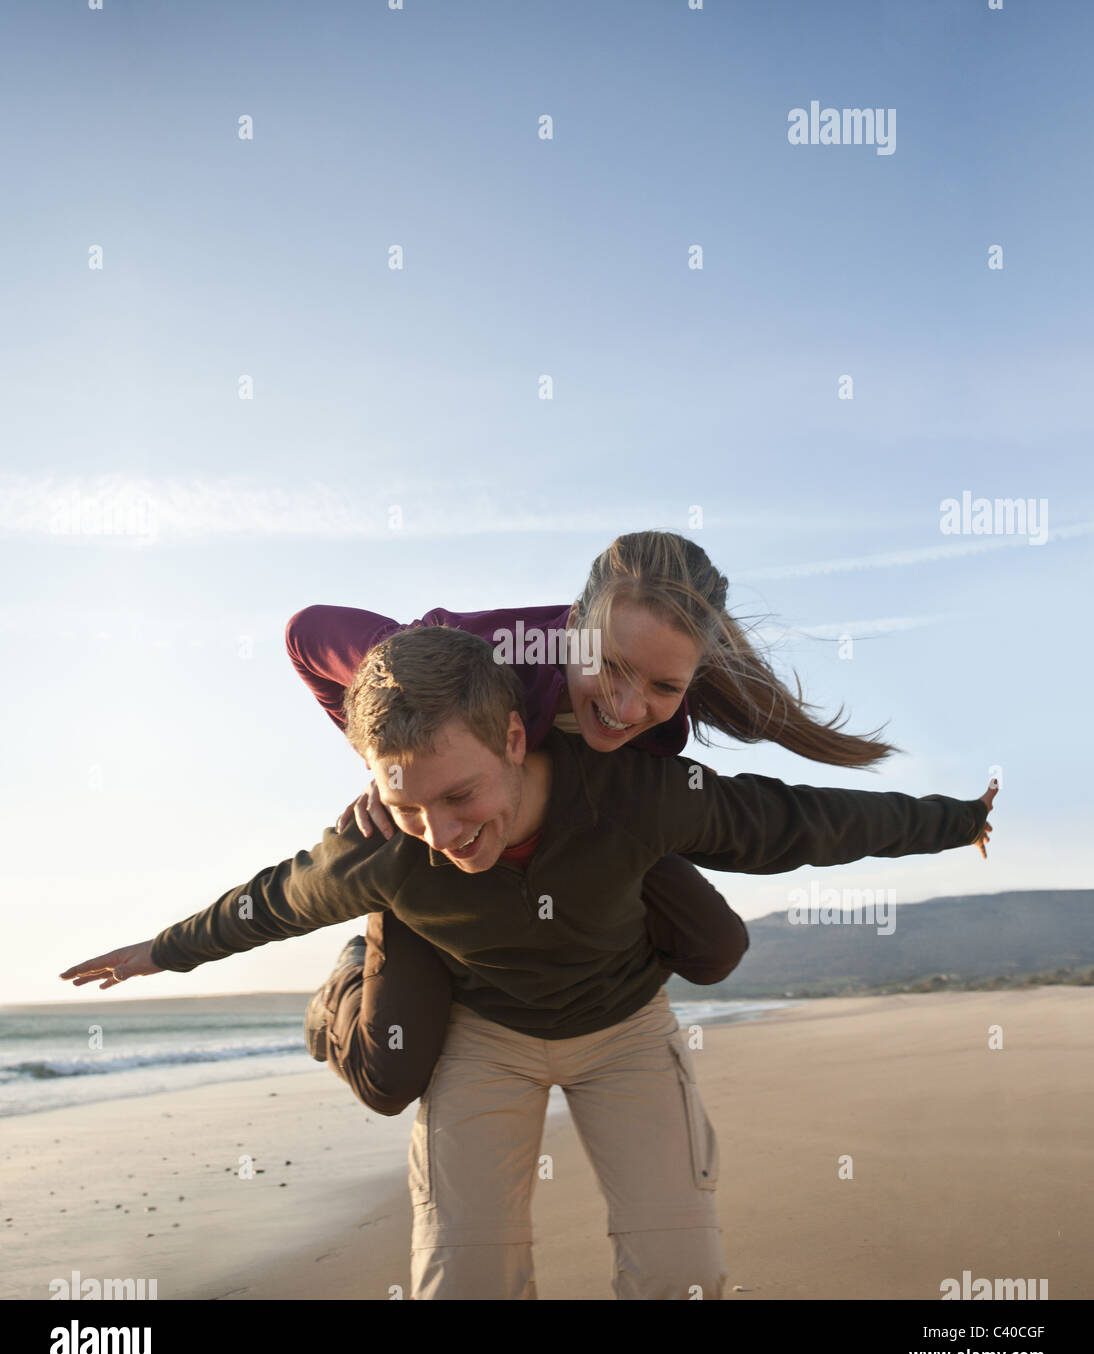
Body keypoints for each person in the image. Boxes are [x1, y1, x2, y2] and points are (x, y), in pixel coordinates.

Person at [61, 624, 996, 1301]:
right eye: (413, 806)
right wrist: (159, 952)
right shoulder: (382, 848)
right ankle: (355, 976)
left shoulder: (634, 791)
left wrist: (956, 821)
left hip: (622, 1028)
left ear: (515, 738)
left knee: (684, 1279)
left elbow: (803, 820)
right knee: (463, 1283)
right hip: (483, 1034)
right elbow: (267, 903)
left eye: (462, 796)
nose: (443, 835)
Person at [283, 530, 906, 1113]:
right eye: (609, 664)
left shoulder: (662, 726)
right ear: (577, 628)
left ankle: (558, 957)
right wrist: (387, 760)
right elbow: (307, 632)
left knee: (716, 947)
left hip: (582, 835)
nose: (627, 705)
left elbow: (764, 818)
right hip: (449, 843)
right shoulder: (490, 653)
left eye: (662, 683)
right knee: (390, 1079)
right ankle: (348, 979)